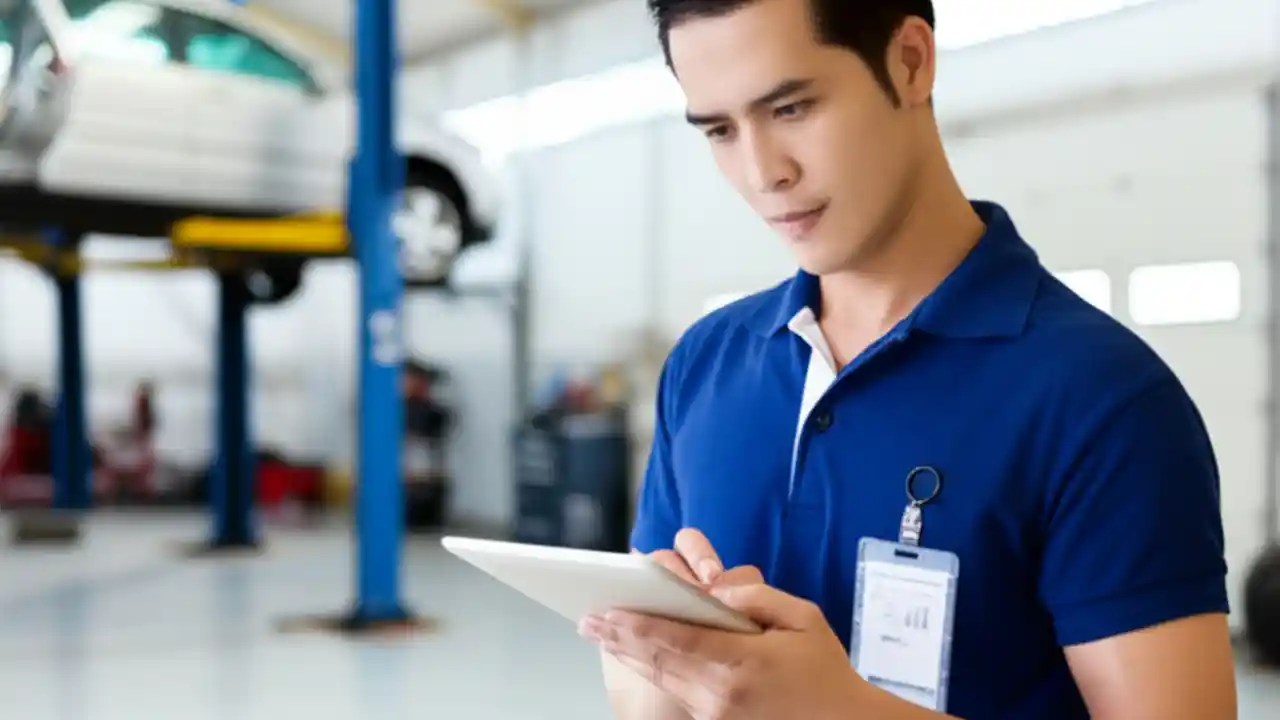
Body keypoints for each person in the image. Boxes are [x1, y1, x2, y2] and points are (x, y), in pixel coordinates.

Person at [576, 1, 1238, 718]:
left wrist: (844, 711)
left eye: (792, 107)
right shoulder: (705, 365)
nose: (763, 172)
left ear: (911, 62)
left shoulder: (1103, 402)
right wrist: (656, 659)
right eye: (720, 130)